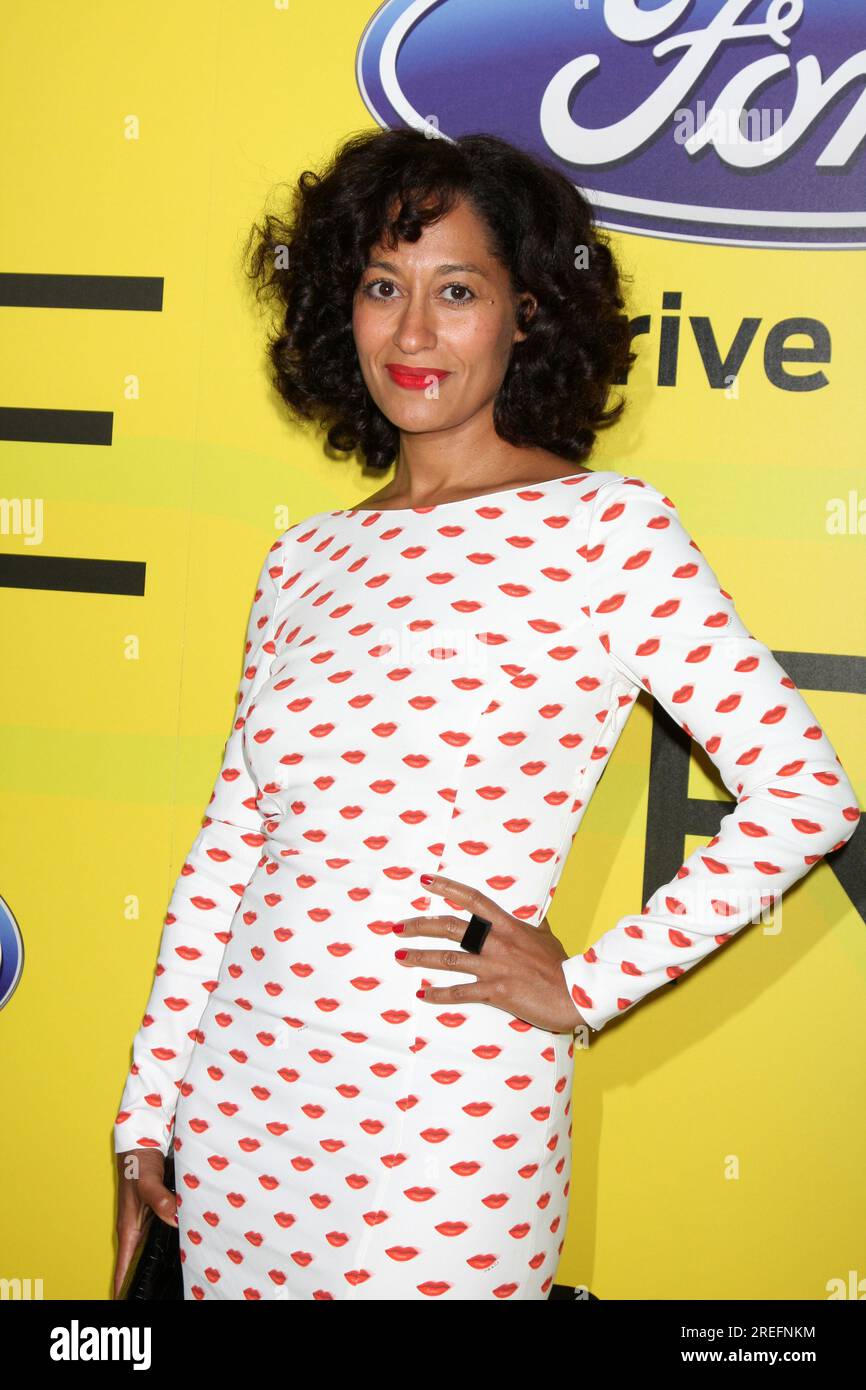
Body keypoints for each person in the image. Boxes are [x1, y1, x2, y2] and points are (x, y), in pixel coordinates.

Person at [113, 128, 860, 1300]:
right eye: (380, 287)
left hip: (444, 1118)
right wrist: (147, 1107)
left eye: (455, 290)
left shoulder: (605, 529)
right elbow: (228, 853)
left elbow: (806, 793)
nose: (412, 332)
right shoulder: (304, 558)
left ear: (523, 315)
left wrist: (584, 986)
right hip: (241, 1098)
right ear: (337, 312)